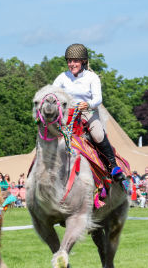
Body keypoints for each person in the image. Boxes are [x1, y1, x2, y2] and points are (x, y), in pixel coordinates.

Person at [52, 43, 123, 181]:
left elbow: (98, 99)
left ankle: (113, 166)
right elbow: (52, 92)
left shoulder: (92, 77)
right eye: (69, 61)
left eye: (75, 61)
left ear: (83, 61)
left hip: (88, 111)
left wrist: (88, 104)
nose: (71, 64)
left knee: (98, 134)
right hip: (67, 113)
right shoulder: (62, 77)